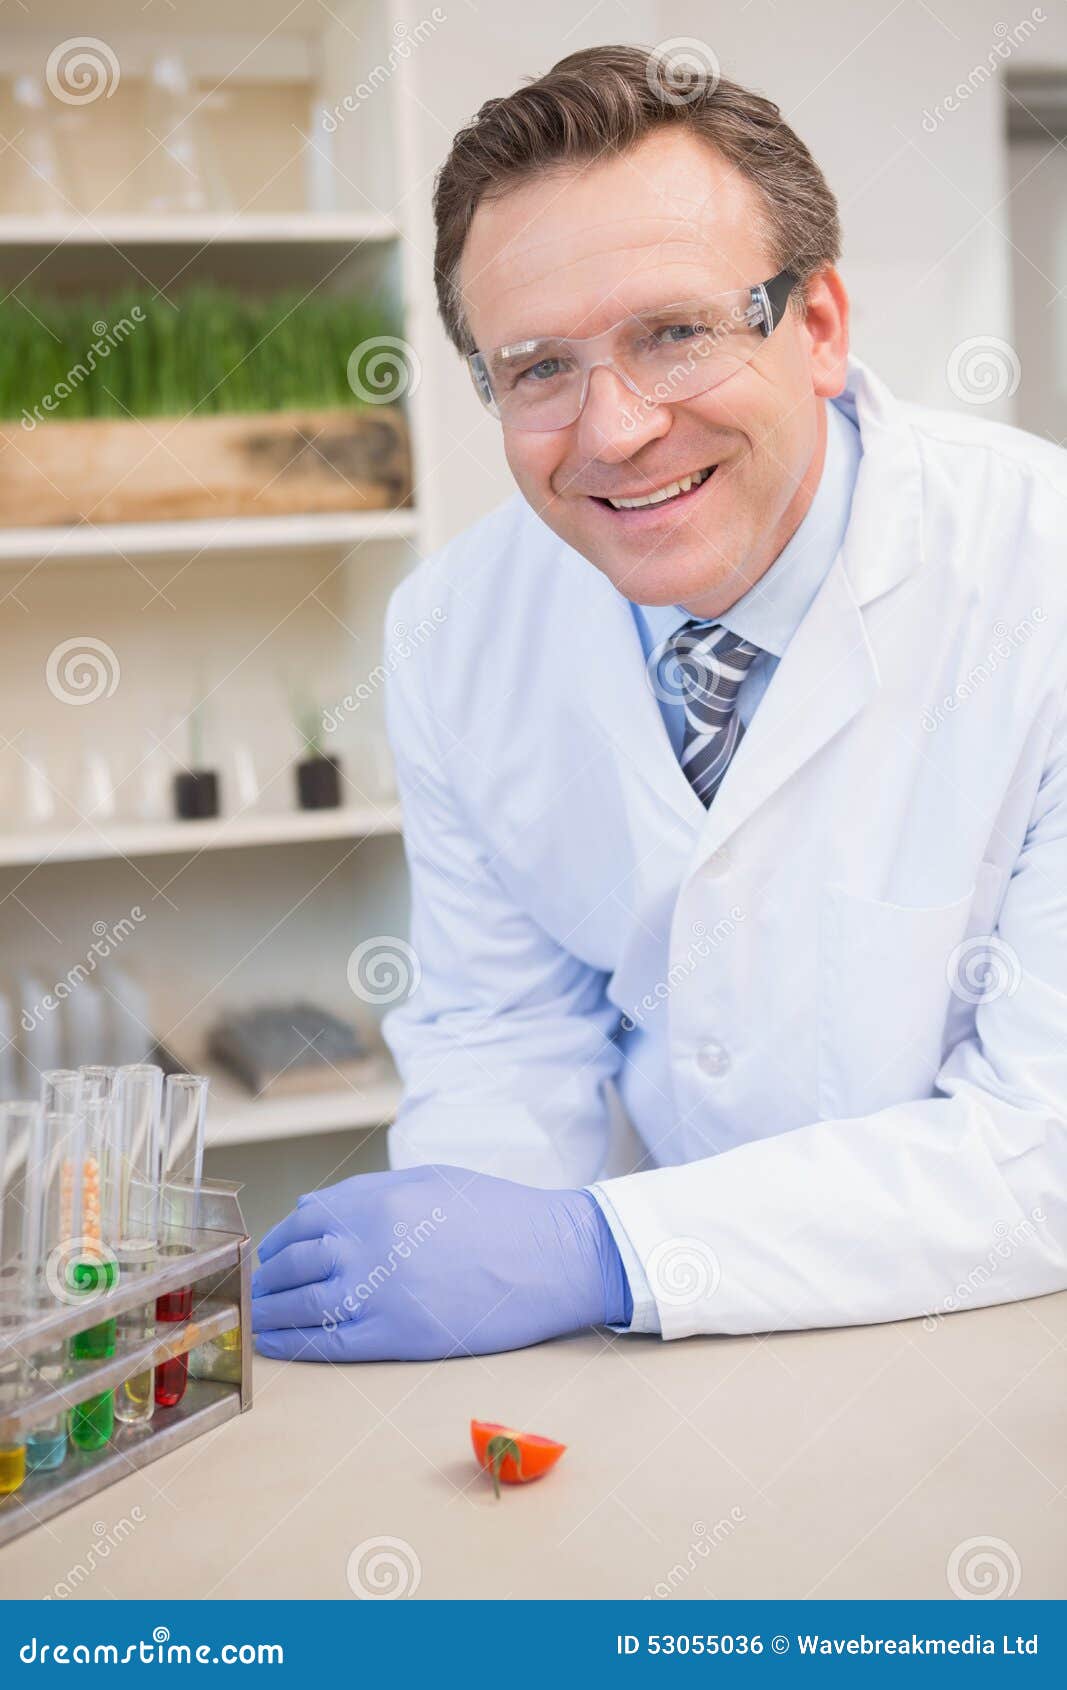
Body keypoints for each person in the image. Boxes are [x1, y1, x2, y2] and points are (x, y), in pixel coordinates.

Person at [251, 43, 1067, 1362]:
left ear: (817, 327)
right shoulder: (458, 630)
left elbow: (1046, 1143)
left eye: (675, 333)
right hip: (655, 1360)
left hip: (1008, 1349)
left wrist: (596, 1249)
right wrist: (472, 1288)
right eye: (538, 369)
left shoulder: (1043, 574)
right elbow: (504, 1029)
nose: (615, 428)